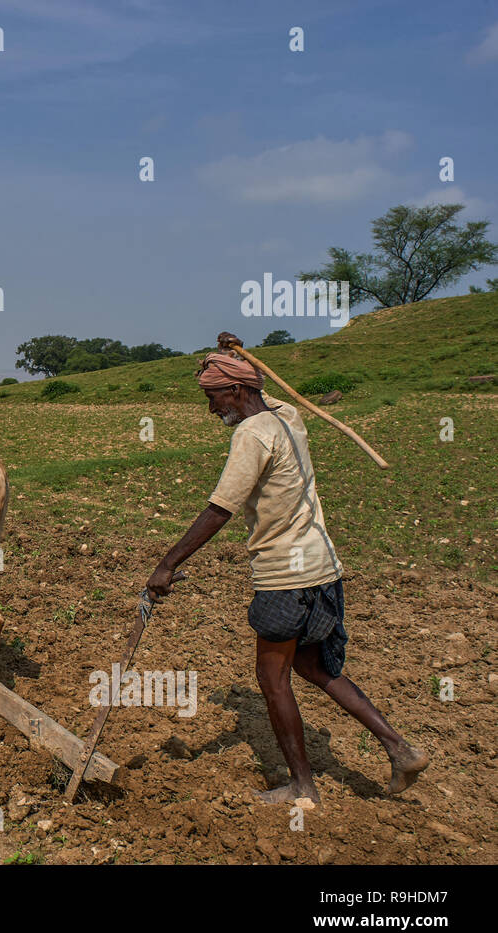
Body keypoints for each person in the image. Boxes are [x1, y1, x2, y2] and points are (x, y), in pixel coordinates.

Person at [145, 332, 428, 804]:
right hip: (324, 568)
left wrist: (166, 564)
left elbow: (220, 509)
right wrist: (236, 355)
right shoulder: (287, 416)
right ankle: (400, 749)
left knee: (272, 680)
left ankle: (302, 788)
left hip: (285, 577)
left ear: (236, 391)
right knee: (314, 667)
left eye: (213, 398)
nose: (211, 409)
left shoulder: (251, 436)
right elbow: (262, 389)